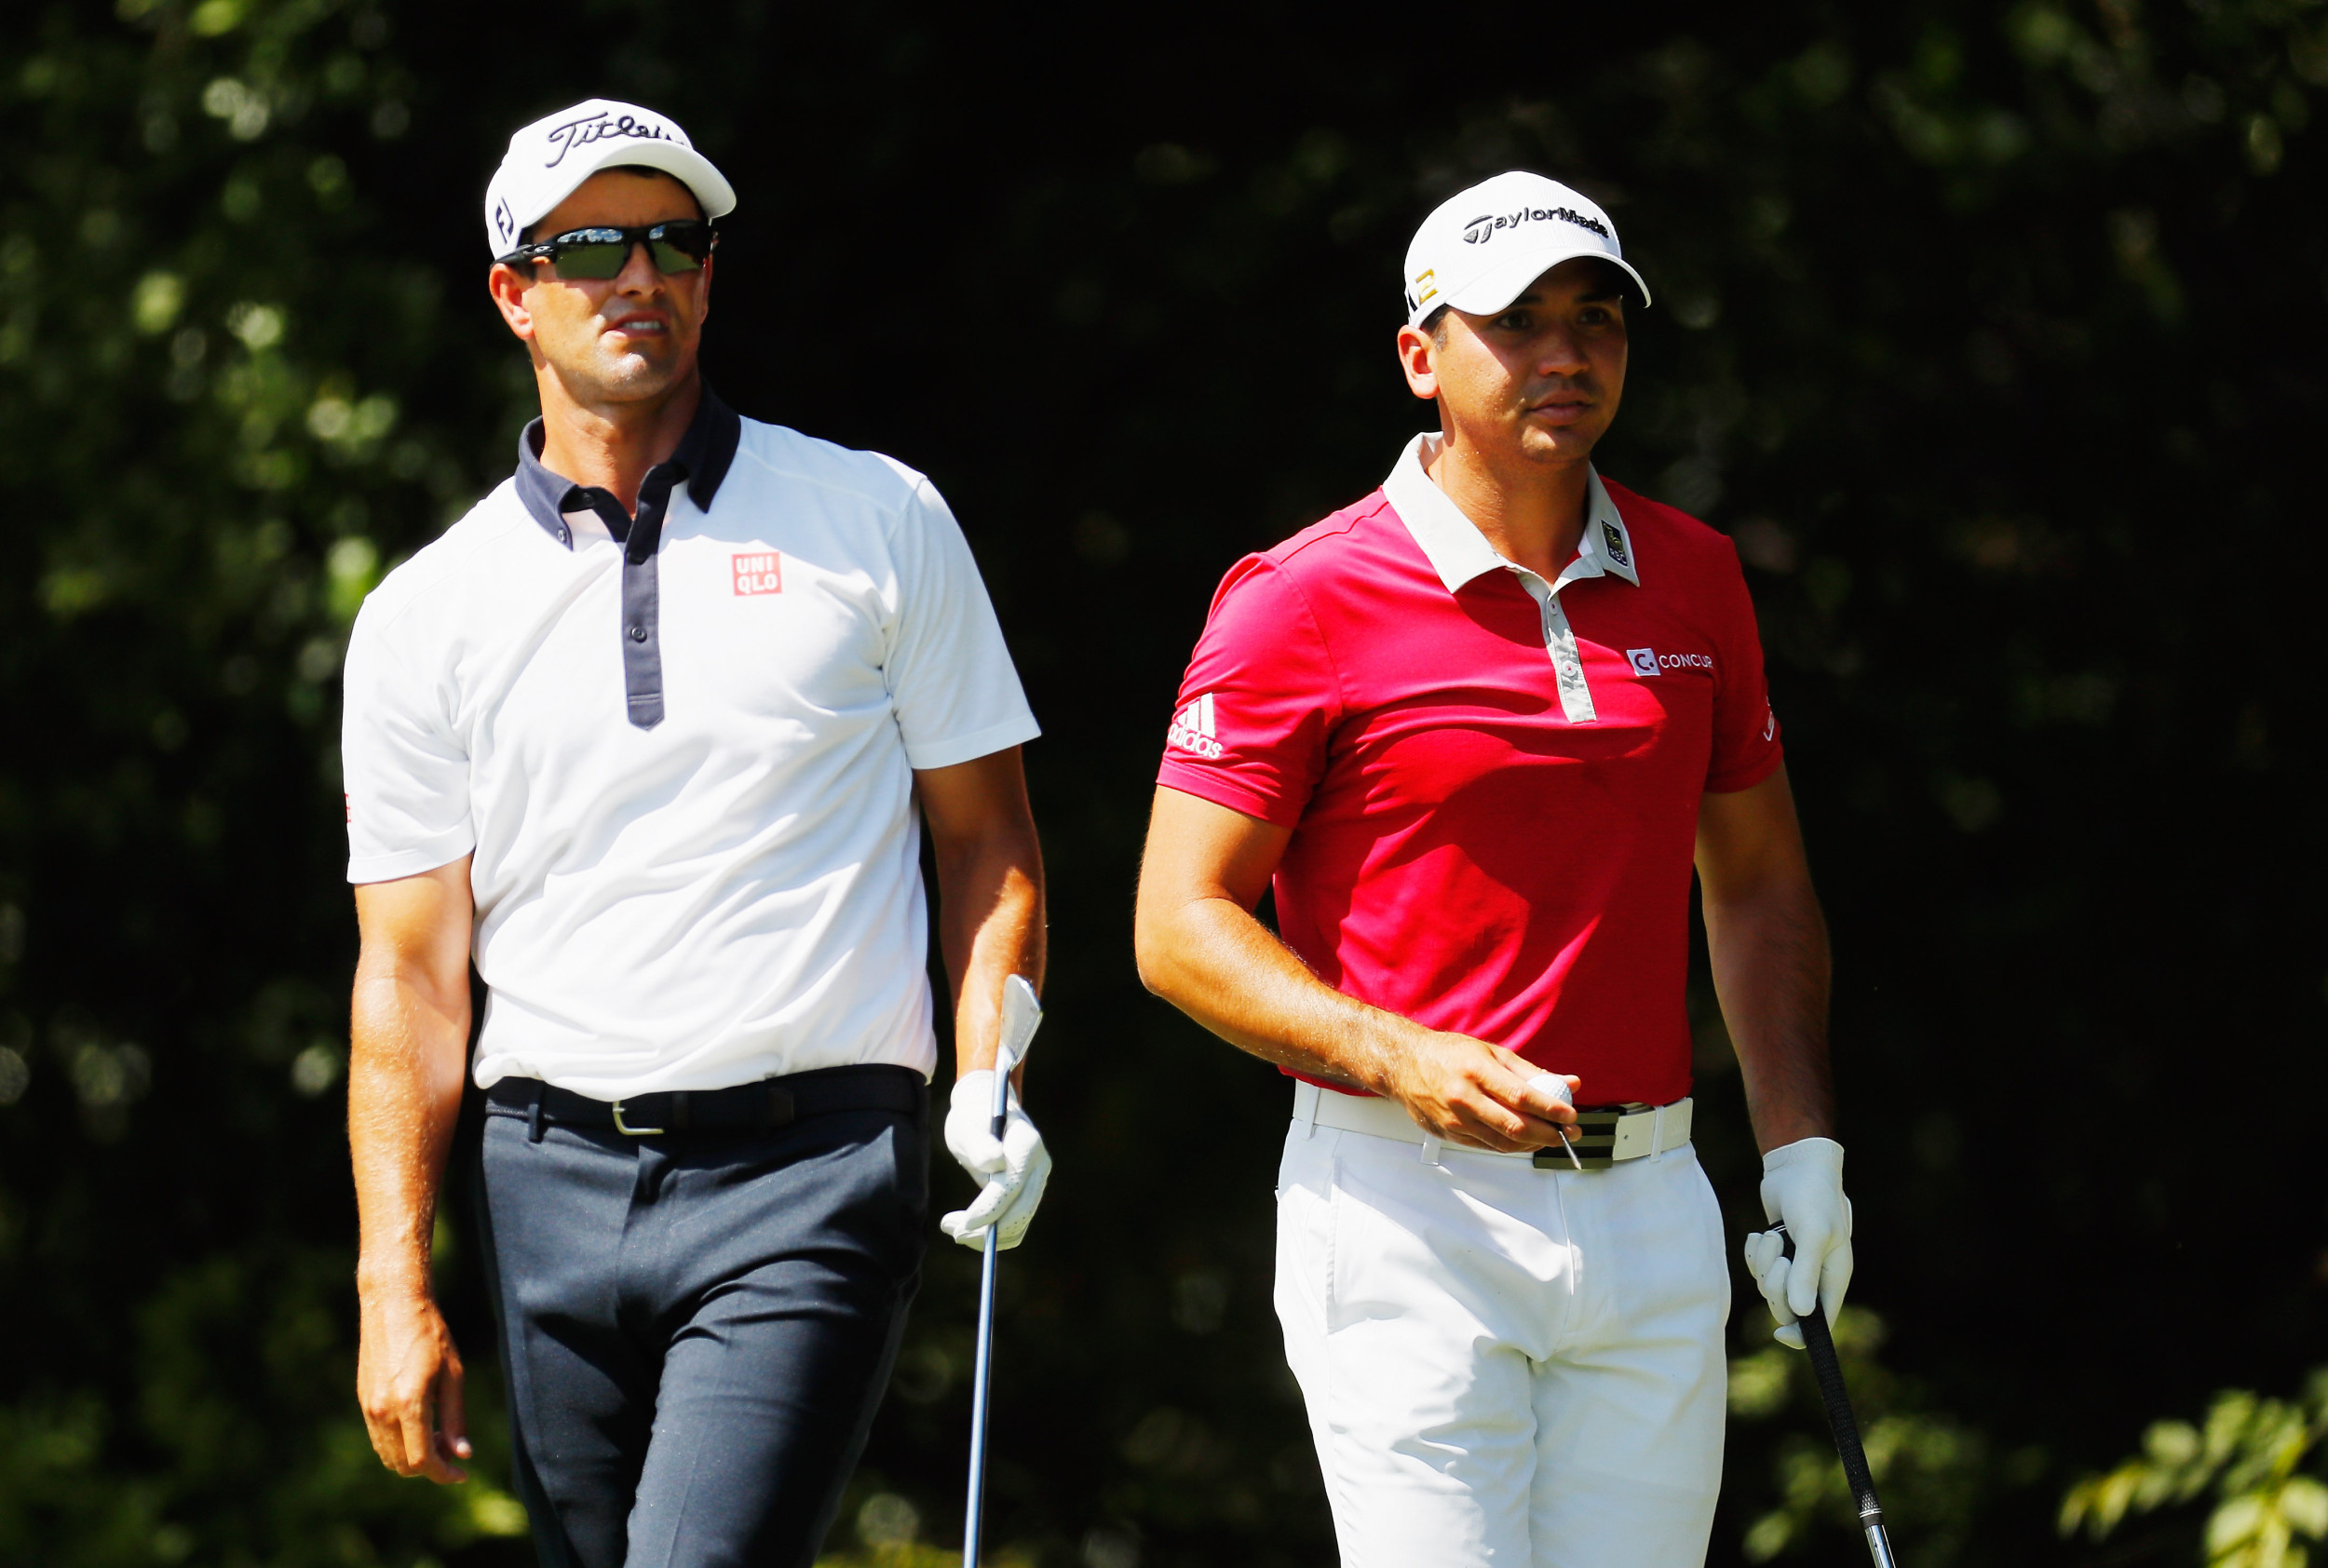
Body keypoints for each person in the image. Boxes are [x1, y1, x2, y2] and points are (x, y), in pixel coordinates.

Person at [341, 99, 1052, 1568]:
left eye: (675, 240)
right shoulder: (425, 611)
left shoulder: (877, 518)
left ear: (712, 273)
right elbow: (407, 978)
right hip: (546, 1184)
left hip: (813, 1171)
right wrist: (390, 1283)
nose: (638, 276)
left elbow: (988, 843)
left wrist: (990, 1073)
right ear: (513, 294)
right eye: (589, 245)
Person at [1132, 170, 1853, 1567]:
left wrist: (1801, 1146)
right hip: (1407, 1208)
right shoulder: (1300, 598)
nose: (1566, 354)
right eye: (1515, 322)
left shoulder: (1697, 575)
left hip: (1651, 1204)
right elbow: (1175, 923)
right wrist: (1396, 1056)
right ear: (1420, 355)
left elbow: (1758, 880)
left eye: (1596, 318)